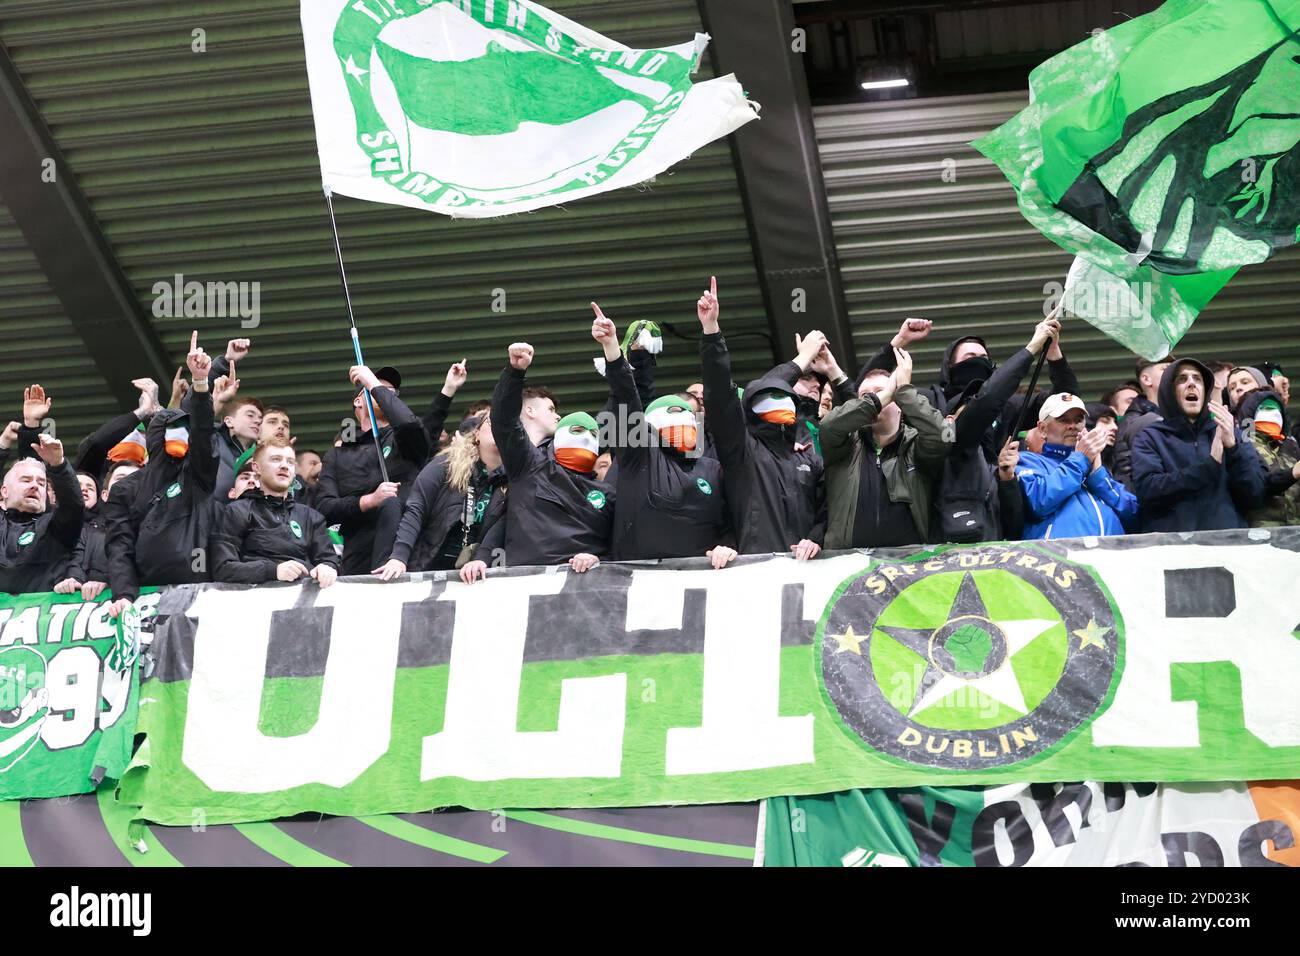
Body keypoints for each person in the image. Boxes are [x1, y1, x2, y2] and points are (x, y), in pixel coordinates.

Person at [590, 306, 734, 566]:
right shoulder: (638, 458)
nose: (686, 418)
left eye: (691, 415)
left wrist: (728, 546)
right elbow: (626, 401)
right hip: (638, 585)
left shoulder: (713, 467)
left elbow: (731, 521)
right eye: (676, 412)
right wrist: (612, 349)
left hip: (699, 589)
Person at [697, 276, 824, 559]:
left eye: (786, 397)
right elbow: (719, 395)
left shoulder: (808, 458)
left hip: (808, 580)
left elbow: (828, 509)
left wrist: (815, 539)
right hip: (755, 576)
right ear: (750, 408)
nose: (782, 402)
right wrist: (711, 332)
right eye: (771, 397)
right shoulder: (742, 451)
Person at [104, 332, 221, 617]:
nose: (178, 436)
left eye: (184, 430)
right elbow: (120, 546)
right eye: (171, 431)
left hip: (200, 593)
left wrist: (201, 383)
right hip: (145, 597)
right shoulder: (125, 489)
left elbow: (204, 436)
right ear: (155, 437)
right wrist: (123, 594)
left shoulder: (196, 475)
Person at [927, 314, 1063, 543]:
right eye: (970, 356)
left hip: (1000, 526)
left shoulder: (1007, 408)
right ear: (950, 366)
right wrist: (1030, 349)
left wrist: (1055, 357)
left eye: (983, 357)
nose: (978, 361)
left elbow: (1063, 403)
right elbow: (986, 402)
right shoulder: (932, 402)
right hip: (947, 533)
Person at [486, 342, 613, 571]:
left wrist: (599, 559)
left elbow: (626, 543)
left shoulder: (609, 492)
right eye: (576, 431)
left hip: (586, 592)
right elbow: (504, 421)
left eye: (593, 433)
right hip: (525, 589)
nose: (585, 437)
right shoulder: (529, 467)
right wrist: (515, 372)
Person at [819, 348, 948, 549]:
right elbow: (828, 426)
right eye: (865, 396)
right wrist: (885, 395)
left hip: (909, 567)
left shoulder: (915, 445)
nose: (873, 399)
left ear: (899, 402)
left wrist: (905, 391)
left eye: (880, 392)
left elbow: (944, 435)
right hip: (846, 566)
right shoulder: (845, 444)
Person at [315, 364, 431, 576]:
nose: (384, 392)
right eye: (377, 389)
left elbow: (409, 425)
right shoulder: (338, 454)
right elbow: (323, 508)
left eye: (390, 392)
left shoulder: (404, 441)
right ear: (358, 401)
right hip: (357, 562)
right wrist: (367, 501)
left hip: (406, 556)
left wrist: (373, 384)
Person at [1130, 359, 1266, 532]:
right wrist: (1208, 467)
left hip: (1227, 548)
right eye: (1182, 379)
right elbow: (1148, 492)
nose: (1191, 384)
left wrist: (1232, 449)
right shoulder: (1149, 437)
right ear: (1169, 391)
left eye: (1197, 379)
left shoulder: (1230, 433)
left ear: (1205, 390)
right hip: (1173, 550)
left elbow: (1254, 494)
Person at [373, 412, 508, 578]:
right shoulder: (447, 463)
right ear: (477, 433)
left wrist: (483, 559)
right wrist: (399, 557)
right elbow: (417, 508)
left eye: (506, 423)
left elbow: (501, 528)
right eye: (492, 422)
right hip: (428, 567)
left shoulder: (513, 480)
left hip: (473, 576)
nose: (500, 426)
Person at [210, 438, 338, 588]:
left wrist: (327, 567)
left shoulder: (312, 517)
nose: (284, 466)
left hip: (303, 606)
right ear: (256, 468)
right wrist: (273, 571)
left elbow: (329, 560)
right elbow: (222, 568)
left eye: (290, 462)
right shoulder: (237, 511)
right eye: (276, 459)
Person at [1014, 393, 1138, 539]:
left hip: (1110, 557)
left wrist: (1097, 476)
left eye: (1078, 420)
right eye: (1063, 420)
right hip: (1058, 558)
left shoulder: (1094, 469)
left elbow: (1134, 514)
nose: (1072, 426)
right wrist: (1080, 459)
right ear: (1042, 429)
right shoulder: (1027, 460)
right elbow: (1037, 503)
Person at [0, 434, 84, 595]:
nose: (34, 486)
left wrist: (58, 465)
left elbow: (73, 505)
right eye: (25, 480)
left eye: (41, 483)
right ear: (5, 491)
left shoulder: (56, 527)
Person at [1234, 386, 1300, 527]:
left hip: (1294, 534)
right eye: (1265, 409)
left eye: (1276, 409)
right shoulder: (1242, 444)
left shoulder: (1291, 447)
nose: (1273, 414)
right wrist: (1294, 472)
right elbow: (1254, 485)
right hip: (1259, 533)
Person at [1112, 356, 1173, 491]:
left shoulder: (1180, 414)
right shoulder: (1134, 421)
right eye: (1165, 369)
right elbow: (1127, 473)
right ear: (1146, 379)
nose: (1174, 374)